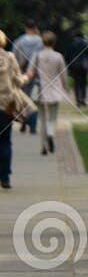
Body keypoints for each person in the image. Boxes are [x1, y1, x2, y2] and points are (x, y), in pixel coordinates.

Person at [26, 31, 68, 156]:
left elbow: (30, 72)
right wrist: (66, 87)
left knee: (42, 119)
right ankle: (50, 134)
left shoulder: (37, 55)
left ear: (43, 42)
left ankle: (43, 146)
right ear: (54, 42)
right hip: (54, 90)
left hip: (40, 90)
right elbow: (63, 75)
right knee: (52, 117)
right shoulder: (58, 56)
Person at [0, 30, 27, 189]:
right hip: (6, 105)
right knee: (5, 142)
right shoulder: (10, 57)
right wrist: (26, 78)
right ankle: (5, 177)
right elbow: (18, 81)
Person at [13, 21, 42, 134]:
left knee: (23, 98)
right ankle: (33, 125)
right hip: (35, 73)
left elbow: (14, 57)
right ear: (35, 28)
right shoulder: (40, 41)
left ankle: (23, 121)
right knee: (33, 98)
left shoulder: (19, 41)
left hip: (22, 73)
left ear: (26, 28)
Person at [66, 29, 88, 108]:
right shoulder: (85, 44)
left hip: (74, 66)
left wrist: (69, 66)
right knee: (83, 83)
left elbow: (68, 56)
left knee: (76, 83)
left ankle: (78, 100)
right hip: (83, 66)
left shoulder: (71, 44)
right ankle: (83, 99)